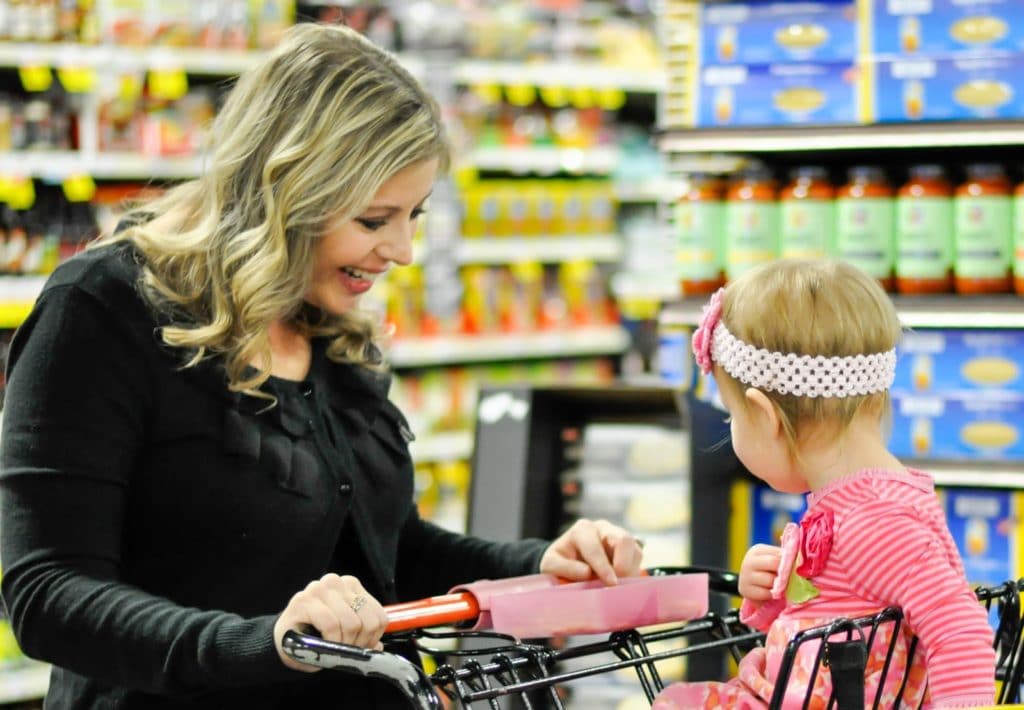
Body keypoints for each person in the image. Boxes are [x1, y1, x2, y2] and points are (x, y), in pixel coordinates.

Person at [0, 23, 644, 709]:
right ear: (286, 191)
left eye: (414, 216)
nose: (400, 249)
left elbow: (386, 549)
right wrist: (268, 642)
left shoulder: (331, 329)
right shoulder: (103, 308)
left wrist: (536, 566)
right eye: (374, 220)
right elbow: (49, 593)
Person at [653, 259, 995, 709]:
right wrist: (776, 592)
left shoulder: (876, 524)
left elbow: (960, 629)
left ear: (764, 415)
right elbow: (842, 615)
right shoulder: (855, 504)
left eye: (732, 415)